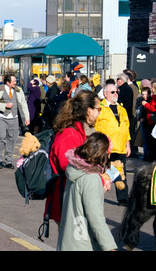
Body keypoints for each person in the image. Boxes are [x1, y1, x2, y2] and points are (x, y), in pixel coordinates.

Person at [44, 90, 100, 227]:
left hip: (74, 195)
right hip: (66, 196)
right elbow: (69, 168)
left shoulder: (81, 130)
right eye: (98, 109)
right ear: (88, 110)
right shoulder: (70, 133)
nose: (100, 113)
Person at [57, 132, 117, 251]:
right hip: (83, 243)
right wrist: (109, 246)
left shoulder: (75, 169)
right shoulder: (91, 178)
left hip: (68, 241)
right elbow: (95, 217)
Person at [95, 83, 130, 206]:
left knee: (121, 173)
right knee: (102, 171)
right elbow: (94, 125)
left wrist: (128, 144)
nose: (116, 94)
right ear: (105, 94)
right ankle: (95, 194)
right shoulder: (100, 107)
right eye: (112, 92)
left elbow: (126, 128)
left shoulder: (122, 109)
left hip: (120, 146)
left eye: (116, 92)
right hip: (106, 147)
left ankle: (123, 198)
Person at [0, 73, 29, 169]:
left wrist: (27, 118)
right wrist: (4, 106)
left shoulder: (19, 90)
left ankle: (9, 161)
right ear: (7, 82)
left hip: (14, 118)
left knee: (12, 139)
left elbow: (23, 104)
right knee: (2, 137)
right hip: (1, 117)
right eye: (14, 81)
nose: (16, 82)